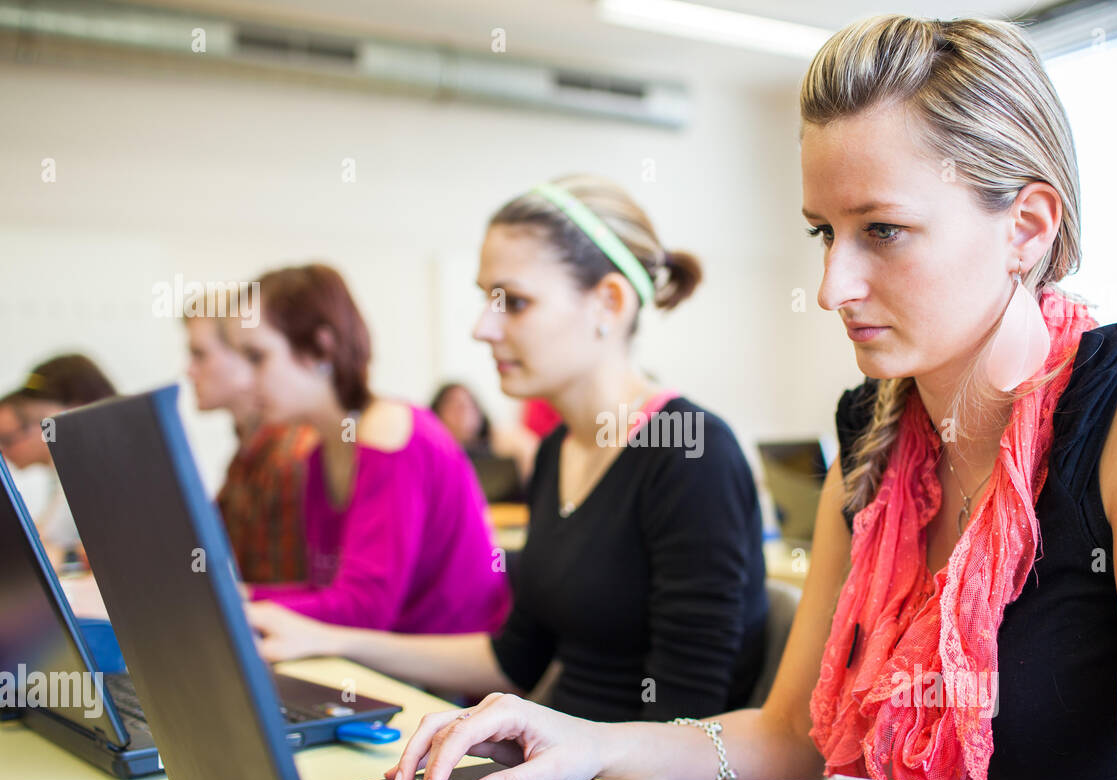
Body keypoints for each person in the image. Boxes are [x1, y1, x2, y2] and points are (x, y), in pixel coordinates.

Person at [386, 14, 1117, 780]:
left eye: (884, 231)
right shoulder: (873, 428)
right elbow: (793, 738)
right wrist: (596, 743)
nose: (832, 286)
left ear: (1026, 228)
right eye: (825, 233)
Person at [247, 175, 770, 722]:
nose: (482, 327)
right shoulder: (556, 453)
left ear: (607, 304)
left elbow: (682, 722)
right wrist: (330, 639)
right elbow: (514, 659)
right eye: (485, 300)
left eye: (513, 302)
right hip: (570, 770)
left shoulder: (691, 453)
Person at [235, 264, 510, 635]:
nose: (246, 380)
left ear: (320, 347)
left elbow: (365, 609)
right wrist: (241, 599)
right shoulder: (317, 452)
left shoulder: (389, 432)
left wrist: (239, 603)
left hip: (460, 683)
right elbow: (336, 595)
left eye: (257, 358)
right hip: (398, 664)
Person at [183, 287, 318, 583]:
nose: (189, 371)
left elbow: (285, 599)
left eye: (199, 355)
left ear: (244, 356)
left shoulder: (289, 457)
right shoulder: (245, 456)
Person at [0, 354, 116, 568]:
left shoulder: (91, 467)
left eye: (7, 440)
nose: (4, 452)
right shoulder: (64, 473)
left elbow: (49, 542)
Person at [431, 381, 538, 492]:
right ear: (437, 413)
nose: (463, 412)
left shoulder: (502, 445)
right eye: (453, 405)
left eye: (468, 405)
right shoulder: (435, 457)